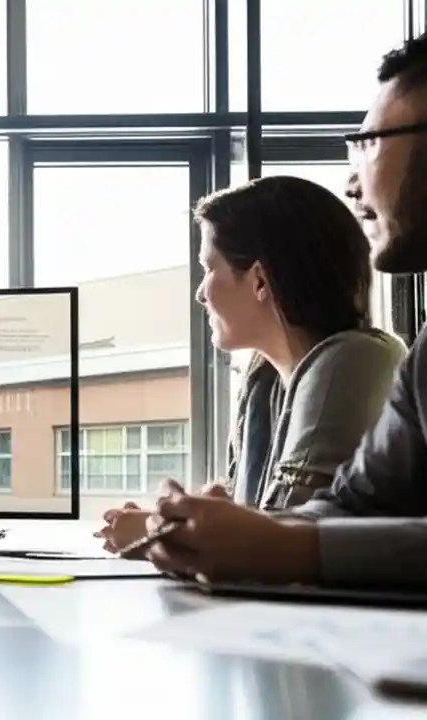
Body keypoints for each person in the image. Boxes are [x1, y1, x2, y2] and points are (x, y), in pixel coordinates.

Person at [144, 22, 427, 589]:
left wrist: (288, 545)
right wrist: (212, 532)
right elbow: (354, 507)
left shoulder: (365, 356)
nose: (352, 183)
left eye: (368, 143)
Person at [97, 176, 405, 552]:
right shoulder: (264, 382)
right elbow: (256, 522)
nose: (200, 293)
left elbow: (282, 537)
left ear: (260, 279)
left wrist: (155, 531)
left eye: (210, 268)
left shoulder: (356, 359)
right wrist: (189, 515)